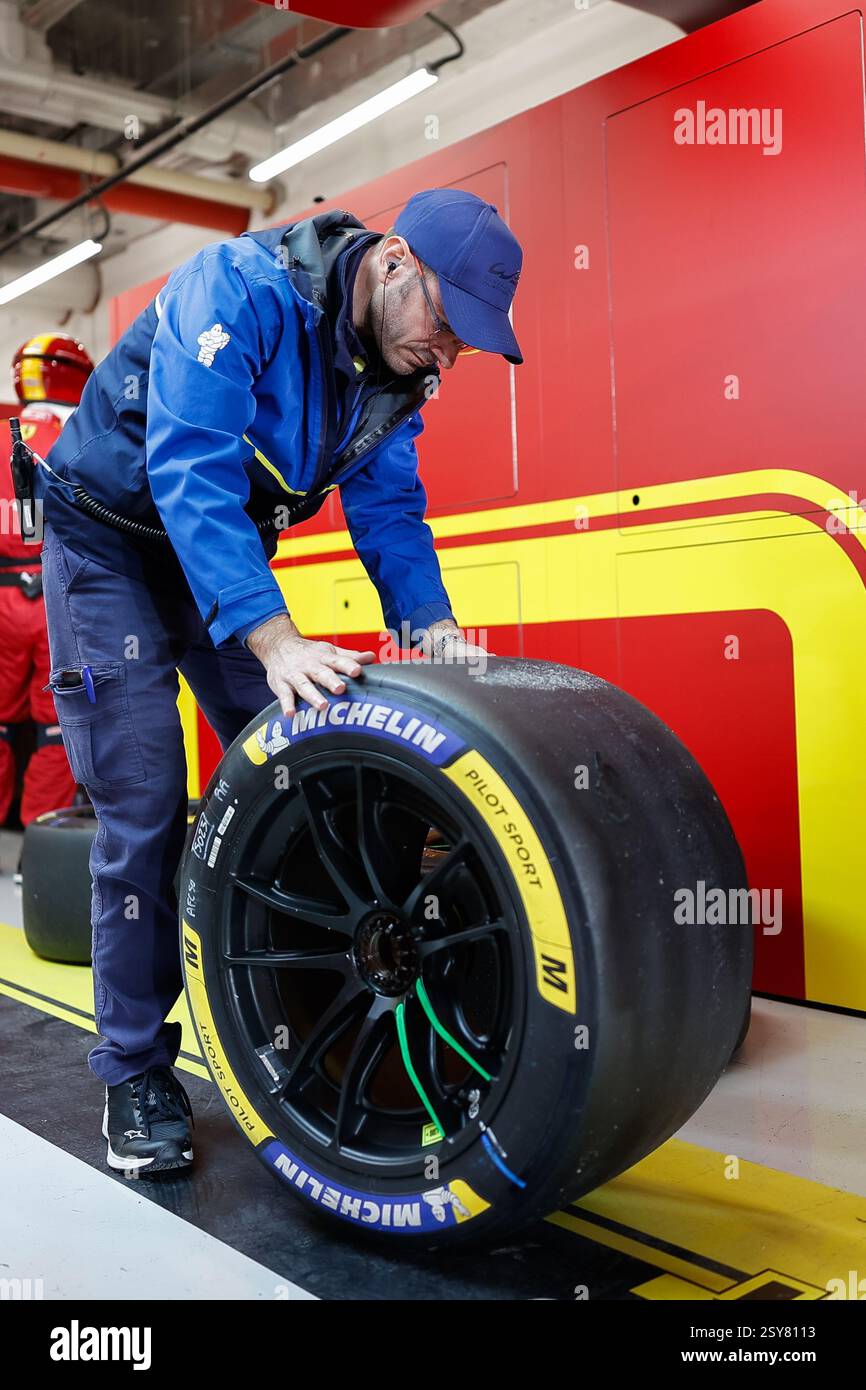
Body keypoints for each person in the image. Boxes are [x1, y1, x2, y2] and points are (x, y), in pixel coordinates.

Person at [36, 186, 524, 1176]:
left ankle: (303, 1013)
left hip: (219, 554)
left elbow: (389, 515)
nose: (448, 355)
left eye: (467, 343)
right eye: (446, 325)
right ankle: (133, 1071)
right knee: (143, 805)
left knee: (298, 770)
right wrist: (269, 635)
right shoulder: (239, 290)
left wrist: (435, 640)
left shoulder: (392, 377)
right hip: (108, 547)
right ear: (393, 263)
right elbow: (189, 467)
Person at [0, 334, 93, 836]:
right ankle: (38, 846)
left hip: (0, 602)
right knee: (55, 727)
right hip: (57, 595)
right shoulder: (82, 433)